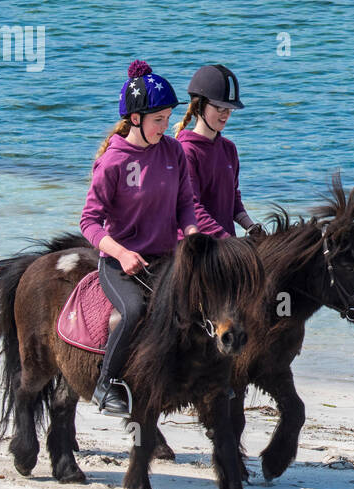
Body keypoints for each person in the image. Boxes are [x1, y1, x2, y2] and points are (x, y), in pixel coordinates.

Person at [81, 60, 199, 417]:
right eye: (158, 120)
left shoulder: (173, 151)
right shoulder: (113, 162)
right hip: (121, 264)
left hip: (166, 257)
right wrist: (122, 252)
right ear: (136, 119)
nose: (166, 127)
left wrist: (193, 234)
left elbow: (185, 204)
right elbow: (89, 222)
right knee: (134, 311)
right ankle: (106, 385)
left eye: (167, 119)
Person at [174, 64, 261, 238]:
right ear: (199, 106)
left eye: (229, 109)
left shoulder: (229, 149)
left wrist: (250, 226)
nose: (226, 114)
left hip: (225, 247)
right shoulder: (186, 151)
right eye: (220, 108)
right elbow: (192, 208)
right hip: (196, 247)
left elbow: (233, 199)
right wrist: (227, 240)